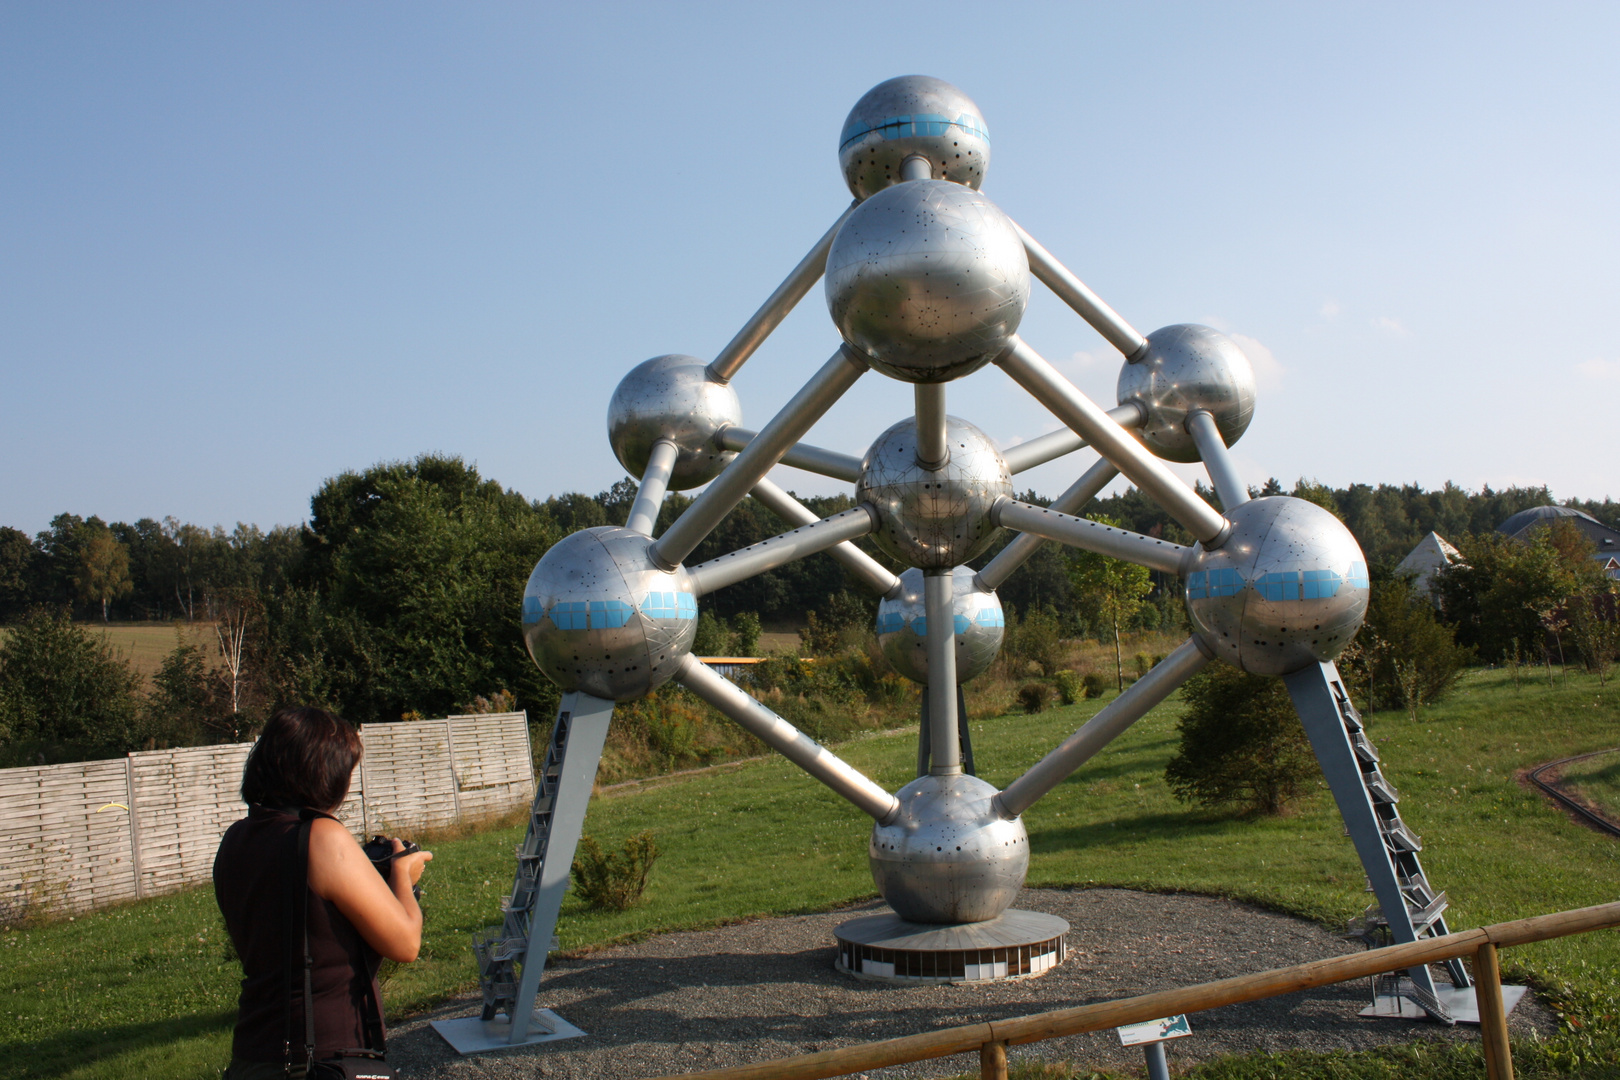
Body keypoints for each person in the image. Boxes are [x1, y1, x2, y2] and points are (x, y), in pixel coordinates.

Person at [214, 706, 432, 1080]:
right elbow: (406, 943)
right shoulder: (322, 837)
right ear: (325, 775)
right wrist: (401, 874)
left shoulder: (236, 838)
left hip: (253, 1055)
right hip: (321, 1059)